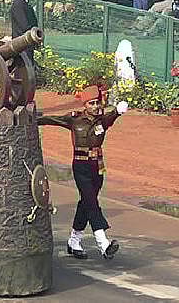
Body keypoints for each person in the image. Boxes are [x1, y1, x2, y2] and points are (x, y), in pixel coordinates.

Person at [38, 84, 128, 260]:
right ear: (85, 105)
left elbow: (112, 115)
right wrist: (32, 119)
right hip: (80, 166)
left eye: (97, 103)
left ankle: (74, 241)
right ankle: (104, 244)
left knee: (86, 202)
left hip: (97, 166)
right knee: (91, 202)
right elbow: (52, 120)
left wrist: (118, 111)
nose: (95, 106)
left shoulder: (102, 120)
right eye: (91, 103)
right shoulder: (75, 120)